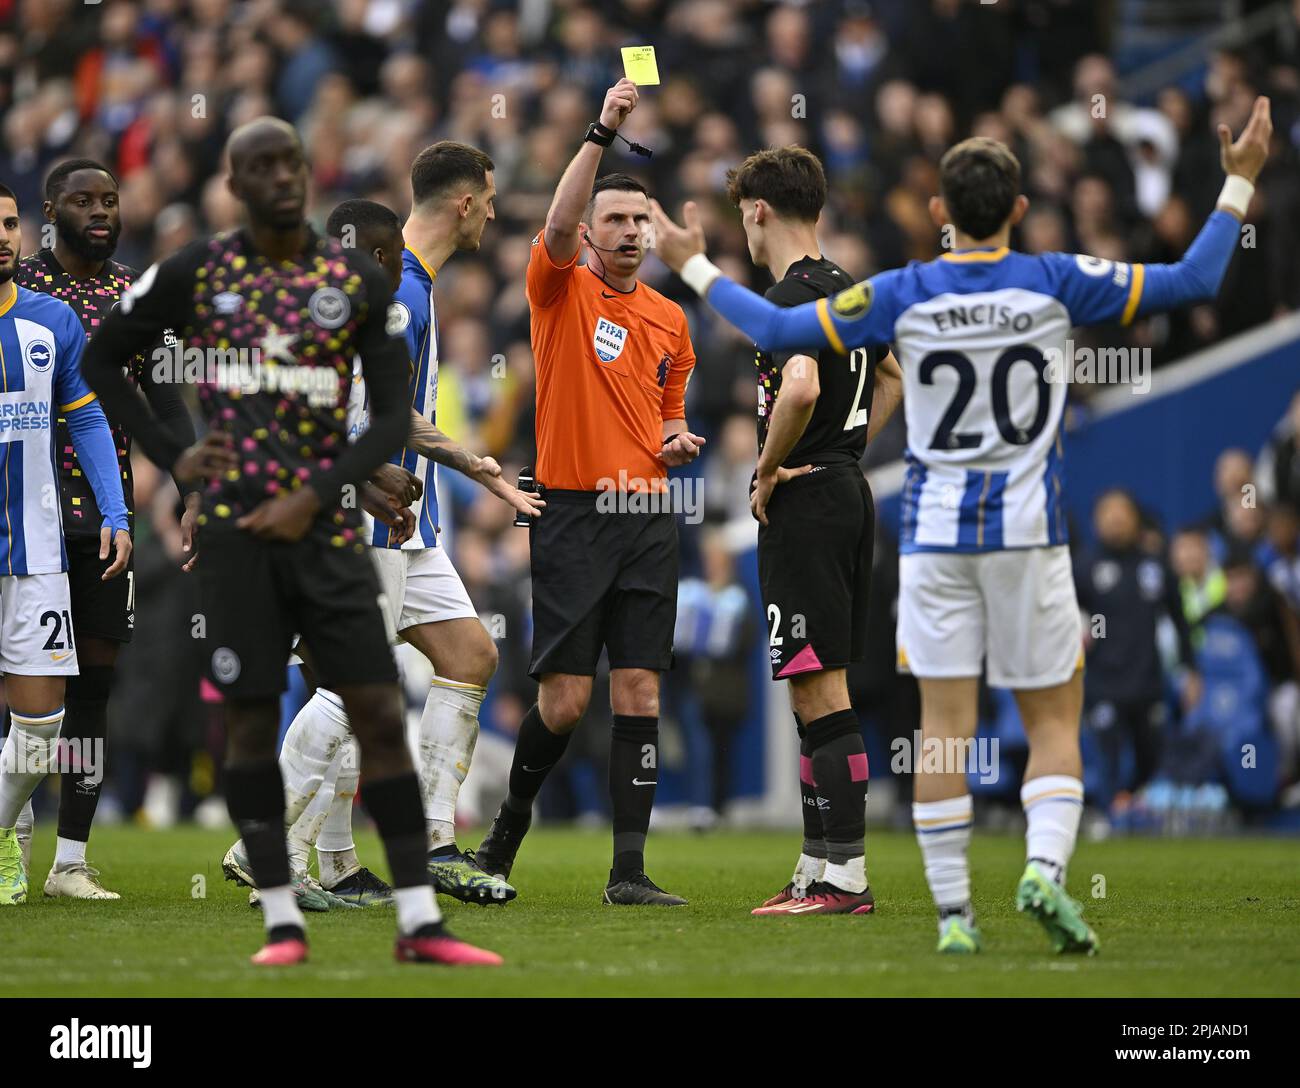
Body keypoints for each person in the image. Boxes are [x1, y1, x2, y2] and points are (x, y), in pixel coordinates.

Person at [652, 95, 1274, 953]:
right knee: (1053, 722)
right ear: (1019, 210)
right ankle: (1044, 870)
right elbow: (1196, 280)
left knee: (940, 727)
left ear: (940, 215)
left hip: (939, 539)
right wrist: (1238, 181)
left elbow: (777, 330)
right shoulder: (1056, 276)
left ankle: (951, 917)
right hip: (1029, 534)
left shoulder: (902, 290)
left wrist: (691, 267)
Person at [80, 116, 500, 967]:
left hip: (359, 516)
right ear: (234, 182)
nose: (279, 181)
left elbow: (372, 402)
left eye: (291, 166)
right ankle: (274, 877)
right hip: (288, 523)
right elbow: (114, 356)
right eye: (259, 168)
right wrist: (184, 468)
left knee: (434, 668)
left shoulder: (350, 278)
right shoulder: (214, 271)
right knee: (298, 699)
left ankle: (401, 885)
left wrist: (393, 465)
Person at [225, 153, 542, 910]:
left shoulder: (407, 284)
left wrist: (473, 468)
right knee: (352, 683)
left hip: (409, 519)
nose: (494, 215)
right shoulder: (396, 288)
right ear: (464, 204)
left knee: (470, 653)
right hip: (371, 516)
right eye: (490, 202)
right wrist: (373, 482)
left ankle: (430, 842)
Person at [475, 79, 703, 906]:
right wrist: (601, 131)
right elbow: (560, 223)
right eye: (618, 220)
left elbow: (668, 412)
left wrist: (674, 439)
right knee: (566, 701)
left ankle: (629, 872)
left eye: (641, 220)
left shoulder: (673, 322)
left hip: (647, 513)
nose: (631, 231)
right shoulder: (559, 286)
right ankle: (504, 837)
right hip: (571, 511)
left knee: (639, 687)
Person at [714, 146, 903, 917]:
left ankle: (844, 878)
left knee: (820, 688)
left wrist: (767, 468)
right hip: (846, 492)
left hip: (806, 502)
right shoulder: (850, 291)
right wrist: (847, 450)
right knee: (811, 684)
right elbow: (891, 378)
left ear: (758, 211)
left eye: (743, 218)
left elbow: (798, 385)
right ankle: (814, 865)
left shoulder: (790, 299)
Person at [12, 158, 198, 900]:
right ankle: (12, 836)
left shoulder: (135, 294)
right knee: (20, 680)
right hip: (20, 510)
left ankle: (71, 860)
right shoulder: (18, 286)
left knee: (95, 683)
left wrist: (192, 489)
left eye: (110, 200)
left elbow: (164, 403)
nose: (100, 211)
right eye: (82, 201)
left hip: (101, 519)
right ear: (50, 209)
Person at [0, 181, 132, 905]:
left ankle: (48, 851)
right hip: (33, 540)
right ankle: (9, 846)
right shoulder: (41, 303)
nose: (3, 235)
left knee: (60, 711)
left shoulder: (65, 318)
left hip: (47, 547)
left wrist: (122, 511)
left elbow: (100, 417)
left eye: (9, 224)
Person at [1073, 489, 1198, 806]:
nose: (1115, 520)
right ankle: (1106, 812)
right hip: (1104, 682)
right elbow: (1064, 616)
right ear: (1096, 521)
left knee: (1150, 754)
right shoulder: (1085, 568)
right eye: (1107, 513)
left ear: (1135, 518)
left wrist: (1190, 670)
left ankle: (1135, 809)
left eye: (1122, 512)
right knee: (1107, 751)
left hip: (1147, 681)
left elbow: (1180, 619)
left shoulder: (1155, 566)